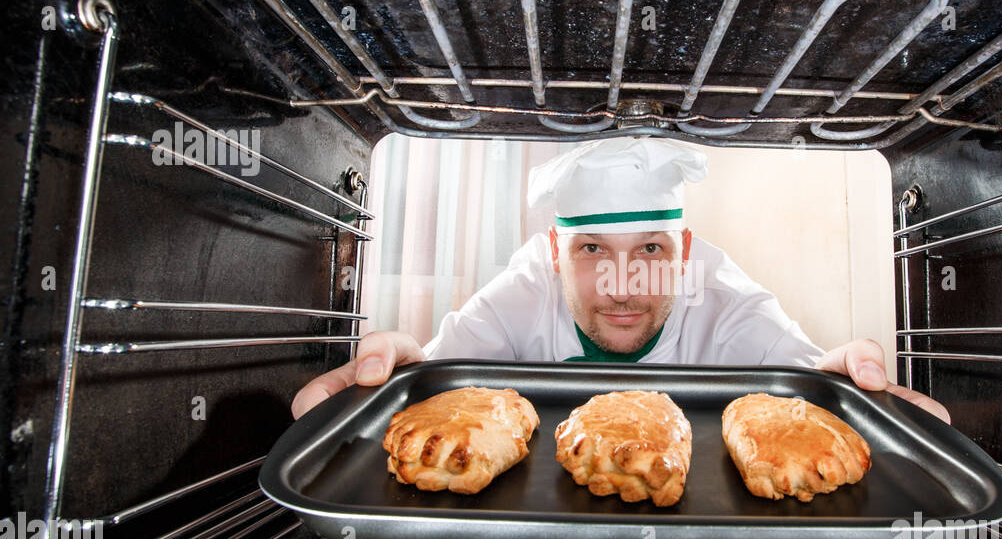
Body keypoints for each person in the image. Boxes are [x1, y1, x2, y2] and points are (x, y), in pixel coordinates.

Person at [291, 136, 949, 423]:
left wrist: (853, 396)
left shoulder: (723, 298)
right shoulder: (527, 286)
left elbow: (807, 381)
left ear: (685, 249)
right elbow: (440, 375)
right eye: (592, 250)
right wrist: (394, 379)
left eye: (652, 250)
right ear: (553, 250)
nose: (621, 285)